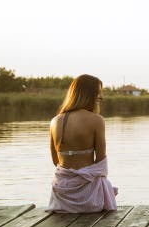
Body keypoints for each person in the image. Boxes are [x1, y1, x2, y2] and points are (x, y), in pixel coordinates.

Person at [47, 74, 117, 213]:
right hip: (88, 198)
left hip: (61, 198)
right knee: (104, 181)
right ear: (89, 94)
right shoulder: (97, 120)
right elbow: (101, 161)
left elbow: (56, 161)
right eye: (98, 93)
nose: (100, 97)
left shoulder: (55, 121)